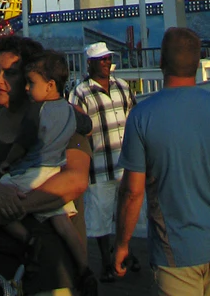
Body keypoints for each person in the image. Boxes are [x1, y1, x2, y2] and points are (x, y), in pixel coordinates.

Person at [115, 26, 210, 294]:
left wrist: (122, 244)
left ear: (161, 62)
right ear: (197, 62)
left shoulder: (142, 115)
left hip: (174, 252)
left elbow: (132, 192)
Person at [0, 34, 92, 296]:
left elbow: (75, 181)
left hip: (50, 270)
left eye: (11, 74)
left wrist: (14, 206)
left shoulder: (60, 124)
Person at [69, 43, 138, 280]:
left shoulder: (123, 87)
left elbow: (133, 117)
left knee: (125, 212)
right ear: (90, 63)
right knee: (100, 216)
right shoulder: (80, 93)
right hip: (99, 165)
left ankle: (125, 251)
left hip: (125, 163)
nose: (106, 63)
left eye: (108, 59)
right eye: (101, 60)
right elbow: (77, 130)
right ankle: (107, 262)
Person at [0, 52, 78, 221]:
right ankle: (78, 248)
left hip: (34, 170)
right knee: (61, 221)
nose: (27, 88)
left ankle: (24, 237)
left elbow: (21, 144)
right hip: (57, 172)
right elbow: (88, 126)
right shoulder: (70, 109)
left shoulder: (36, 111)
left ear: (49, 85)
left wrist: (7, 162)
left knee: (3, 190)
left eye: (31, 83)